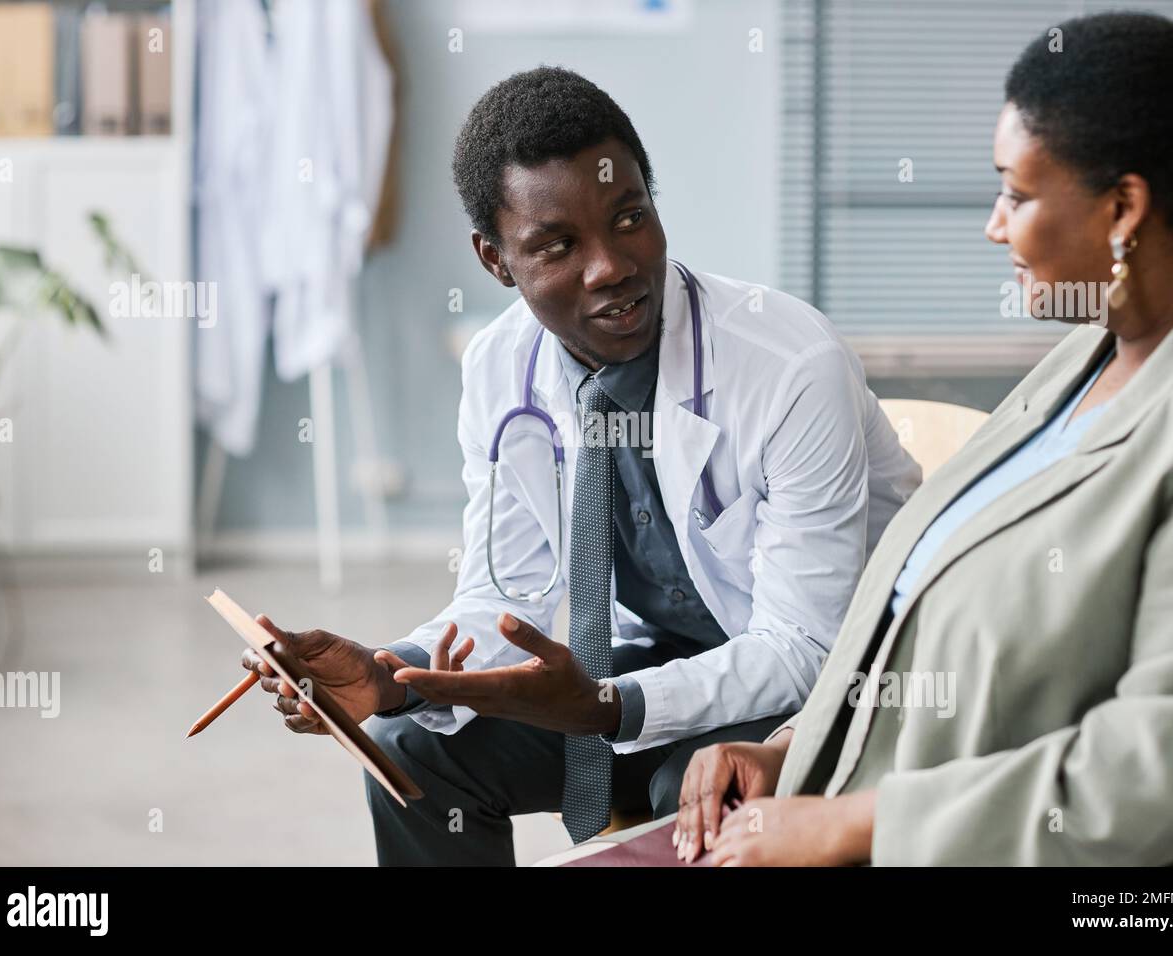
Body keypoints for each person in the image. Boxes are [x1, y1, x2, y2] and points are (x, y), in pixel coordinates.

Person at [241, 66, 920, 865]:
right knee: (408, 746)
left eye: (629, 218)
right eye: (558, 245)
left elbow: (805, 644)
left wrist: (606, 705)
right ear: (496, 261)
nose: (611, 266)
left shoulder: (788, 364)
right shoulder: (502, 369)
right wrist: (400, 675)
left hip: (838, 681)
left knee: (699, 799)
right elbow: (503, 592)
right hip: (670, 665)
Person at [671, 3, 1173, 866]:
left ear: (1124, 206)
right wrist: (797, 748)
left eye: (1017, 194)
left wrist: (857, 824)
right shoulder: (1088, 356)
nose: (993, 224)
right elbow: (930, 611)